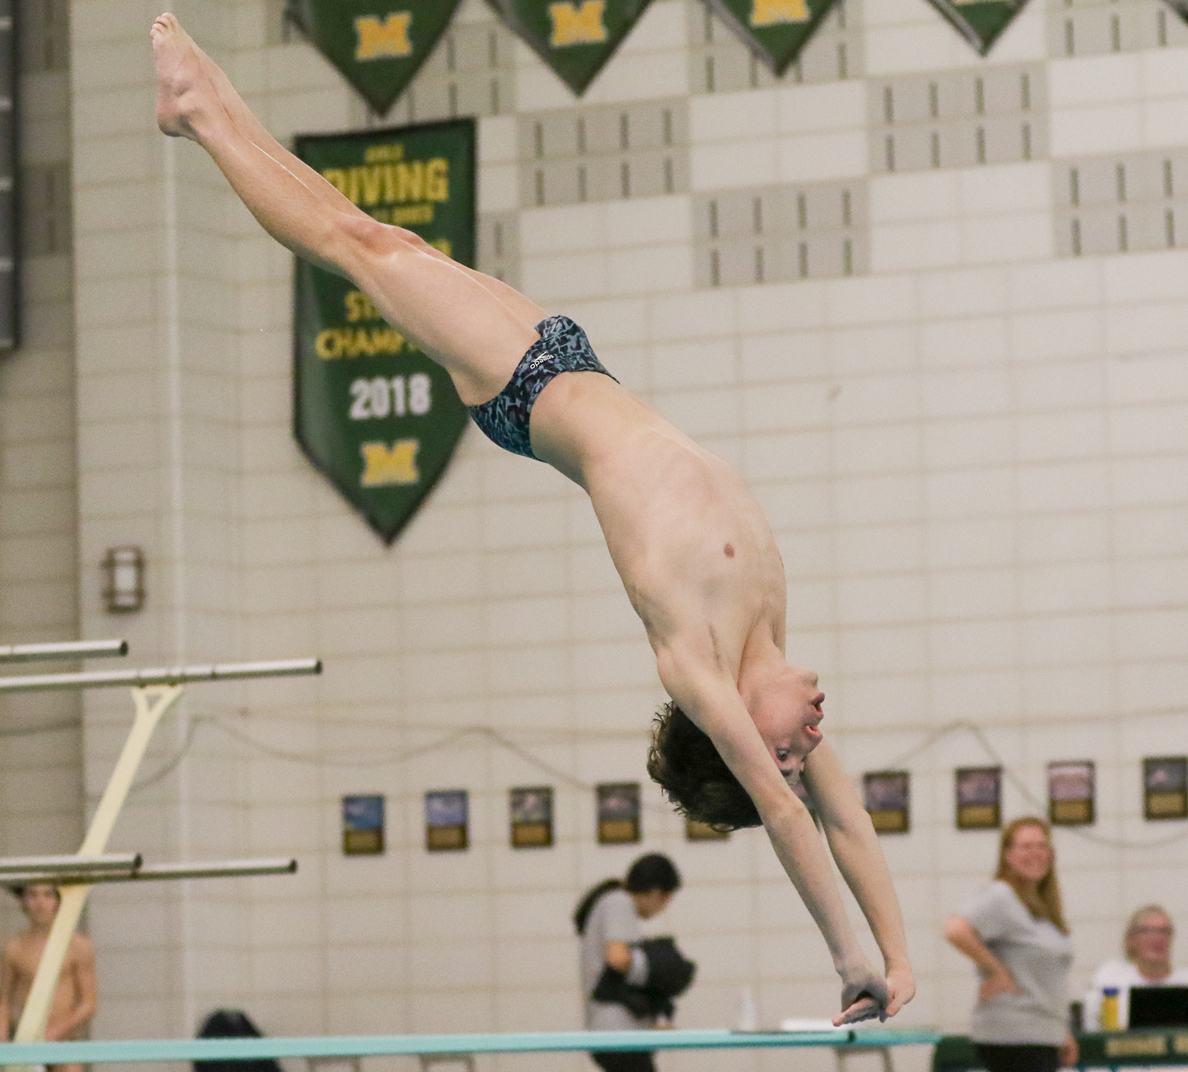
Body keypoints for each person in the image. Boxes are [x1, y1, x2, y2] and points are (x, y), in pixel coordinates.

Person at [148, 12, 913, 1025]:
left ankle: (200, 111)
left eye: (793, 745)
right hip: (573, 359)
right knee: (381, 241)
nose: (816, 733)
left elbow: (792, 812)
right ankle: (201, 105)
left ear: (744, 743)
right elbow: (849, 822)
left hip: (521, 392)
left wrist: (849, 958)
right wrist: (900, 960)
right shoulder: (767, 639)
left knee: (358, 242)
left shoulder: (697, 657)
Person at [944, 818, 1077, 1072]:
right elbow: (955, 929)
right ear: (1008, 855)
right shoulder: (1001, 896)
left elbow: (1046, 982)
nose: (1035, 854)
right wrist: (996, 969)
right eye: (1026, 846)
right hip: (1013, 1035)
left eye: (1041, 846)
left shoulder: (1042, 907)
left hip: (1041, 1034)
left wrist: (1061, 1031)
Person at [574, 854, 682, 1072]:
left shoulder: (610, 902)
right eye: (665, 900)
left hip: (612, 1033)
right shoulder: (619, 902)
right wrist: (659, 969)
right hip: (617, 1035)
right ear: (655, 892)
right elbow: (618, 958)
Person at [0, 884, 98, 1072]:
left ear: (58, 902)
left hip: (66, 1042)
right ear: (23, 902)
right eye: (32, 895)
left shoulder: (78, 946)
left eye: (48, 895)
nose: (40, 903)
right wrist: (2, 1045)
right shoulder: (13, 949)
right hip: (27, 1042)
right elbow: (4, 1003)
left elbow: (89, 1004)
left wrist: (54, 1031)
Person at [1081, 905, 1188, 1030]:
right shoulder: (1110, 977)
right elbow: (1092, 1030)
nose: (1158, 938)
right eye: (1148, 931)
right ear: (1131, 940)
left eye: (1164, 931)